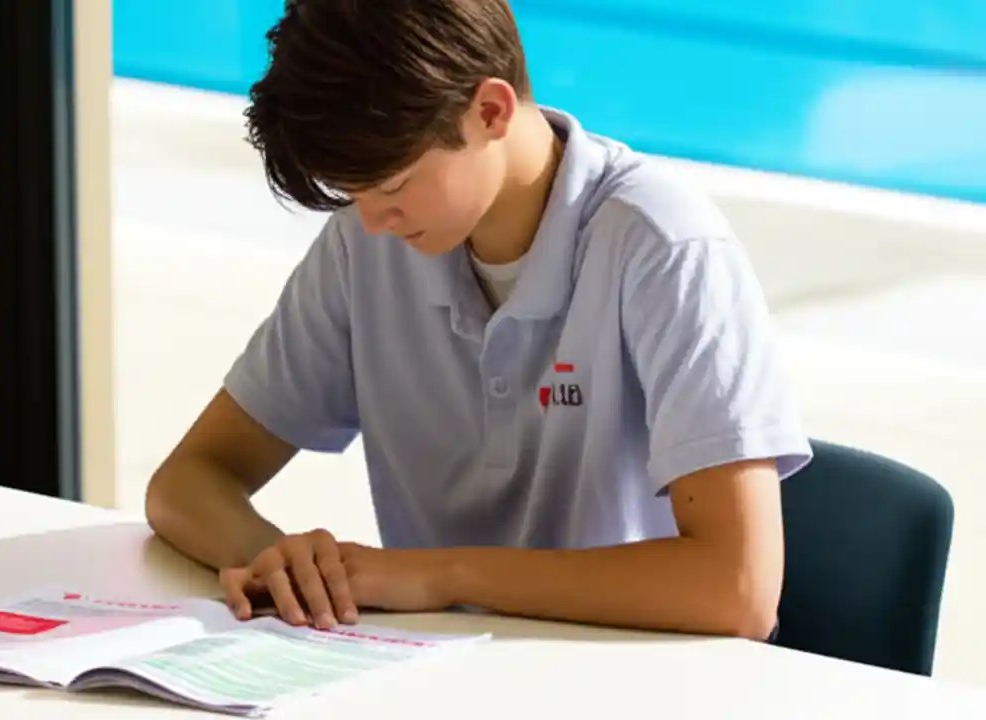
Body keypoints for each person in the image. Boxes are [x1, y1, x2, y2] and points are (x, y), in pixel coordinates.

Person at [145, 0, 812, 641]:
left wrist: (440, 575)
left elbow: (740, 591)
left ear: (489, 111)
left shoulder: (663, 248)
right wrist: (284, 565)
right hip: (438, 671)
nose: (373, 222)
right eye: (355, 196)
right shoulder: (368, 242)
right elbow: (186, 482)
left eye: (394, 187)